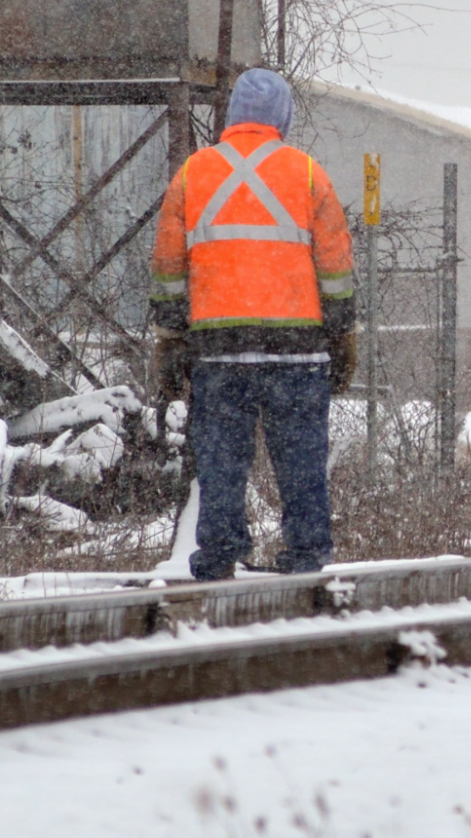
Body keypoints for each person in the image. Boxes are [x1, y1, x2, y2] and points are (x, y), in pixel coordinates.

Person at [149, 68, 356, 579]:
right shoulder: (307, 173)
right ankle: (306, 553)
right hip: (298, 349)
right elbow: (335, 266)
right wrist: (343, 332)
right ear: (281, 116)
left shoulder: (193, 174)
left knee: (220, 462)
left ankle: (220, 553)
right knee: (301, 461)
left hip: (219, 349)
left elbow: (169, 266)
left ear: (233, 115)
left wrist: (172, 334)